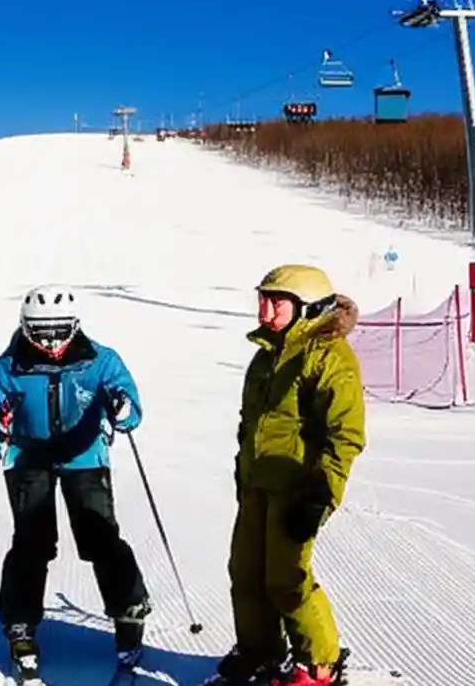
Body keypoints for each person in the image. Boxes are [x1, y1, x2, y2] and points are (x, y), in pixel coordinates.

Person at [0, 284, 150, 683]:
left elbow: (131, 405)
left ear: (76, 326)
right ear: (24, 328)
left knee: (100, 537)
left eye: (59, 331)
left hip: (85, 457)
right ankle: (20, 625)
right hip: (28, 460)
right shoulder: (8, 367)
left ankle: (128, 611)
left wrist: (123, 408)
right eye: (40, 333)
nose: (50, 343)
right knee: (32, 543)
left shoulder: (100, 361)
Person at [205, 264, 365, 686]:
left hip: (298, 489)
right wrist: (244, 474)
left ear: (307, 308)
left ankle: (320, 664)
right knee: (245, 571)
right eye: (263, 300)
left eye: (277, 303)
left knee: (286, 577)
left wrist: (320, 494)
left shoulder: (329, 358)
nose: (265, 311)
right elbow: (250, 422)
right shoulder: (265, 357)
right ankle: (259, 651)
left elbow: (345, 435)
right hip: (258, 484)